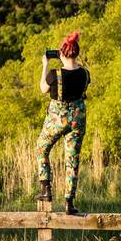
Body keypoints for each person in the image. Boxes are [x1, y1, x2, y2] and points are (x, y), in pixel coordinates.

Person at [36, 30, 90, 214]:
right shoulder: (85, 74)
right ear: (77, 52)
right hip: (78, 119)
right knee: (72, 159)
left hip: (57, 119)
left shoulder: (54, 74)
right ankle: (69, 202)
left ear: (61, 52)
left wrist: (45, 65)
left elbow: (43, 88)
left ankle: (45, 189)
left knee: (42, 148)